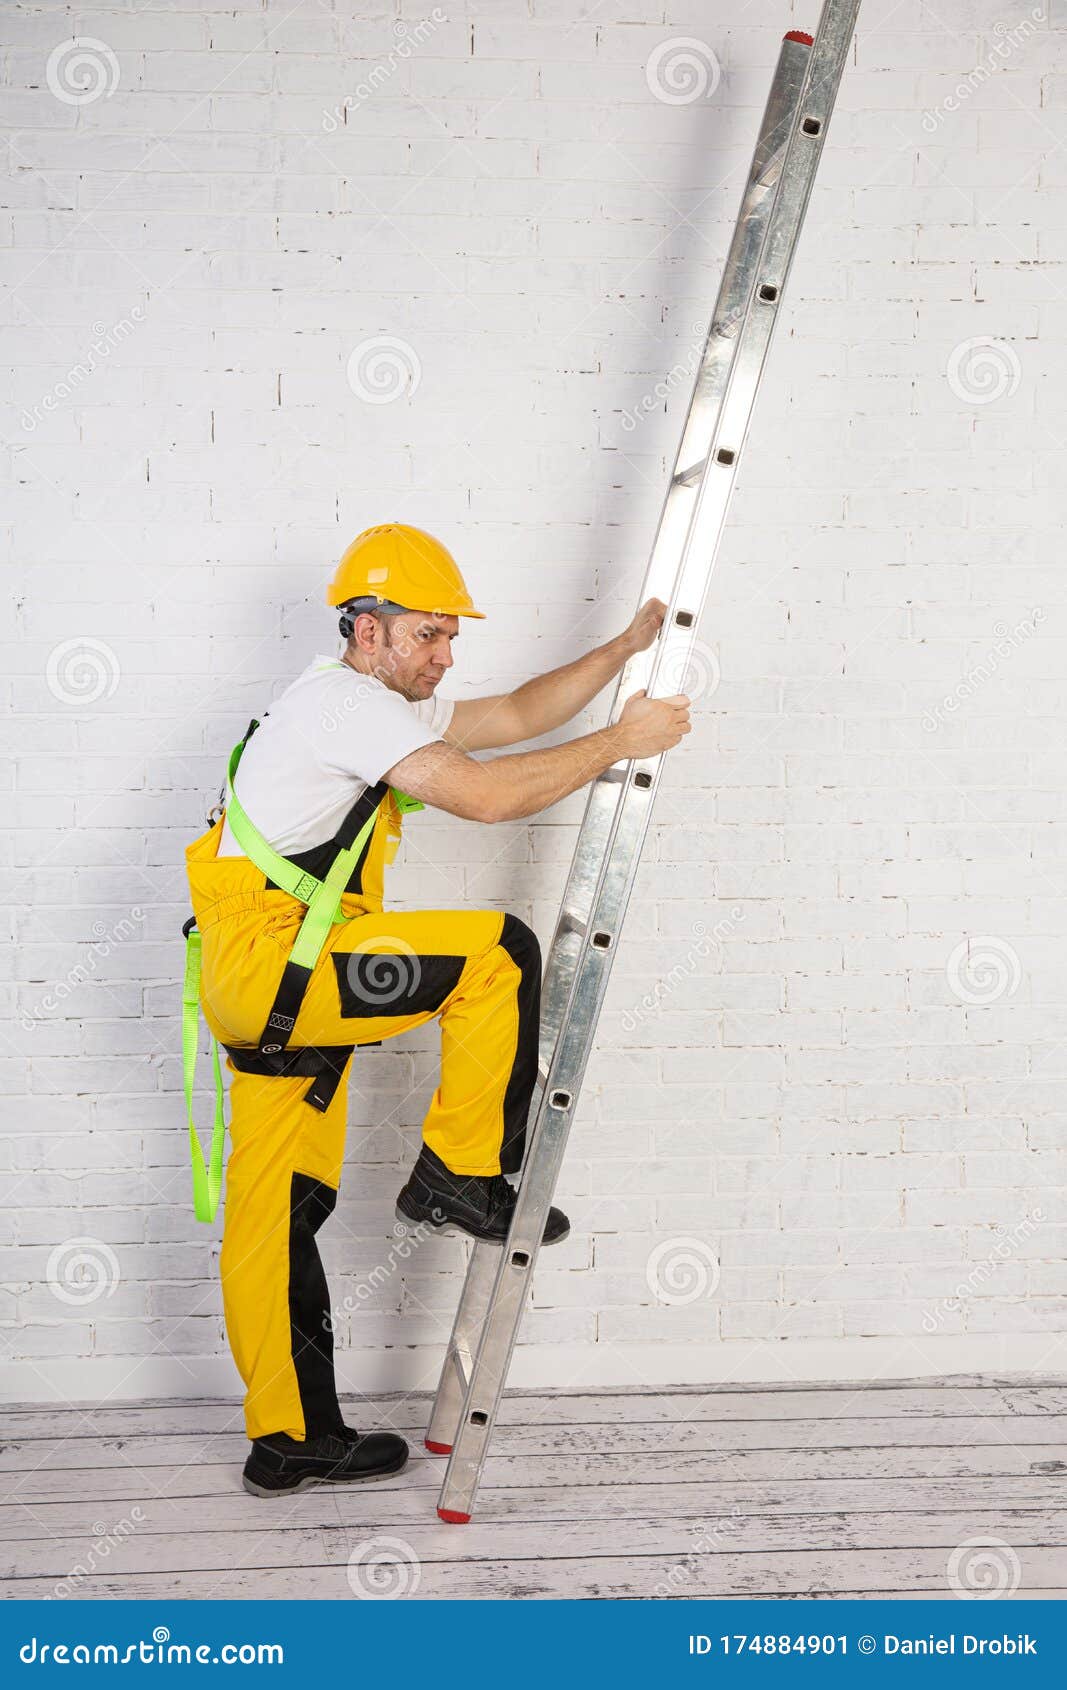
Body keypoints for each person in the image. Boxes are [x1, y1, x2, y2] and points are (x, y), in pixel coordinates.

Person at [183, 522, 691, 1497]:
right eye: (428, 634)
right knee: (496, 952)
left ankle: (290, 1438)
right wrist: (622, 742)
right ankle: (459, 1173)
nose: (445, 654)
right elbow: (488, 799)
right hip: (288, 965)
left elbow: (506, 713)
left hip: (261, 980)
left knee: (271, 1216)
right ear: (366, 629)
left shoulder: (343, 704)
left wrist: (620, 651)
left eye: (450, 634)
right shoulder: (348, 706)